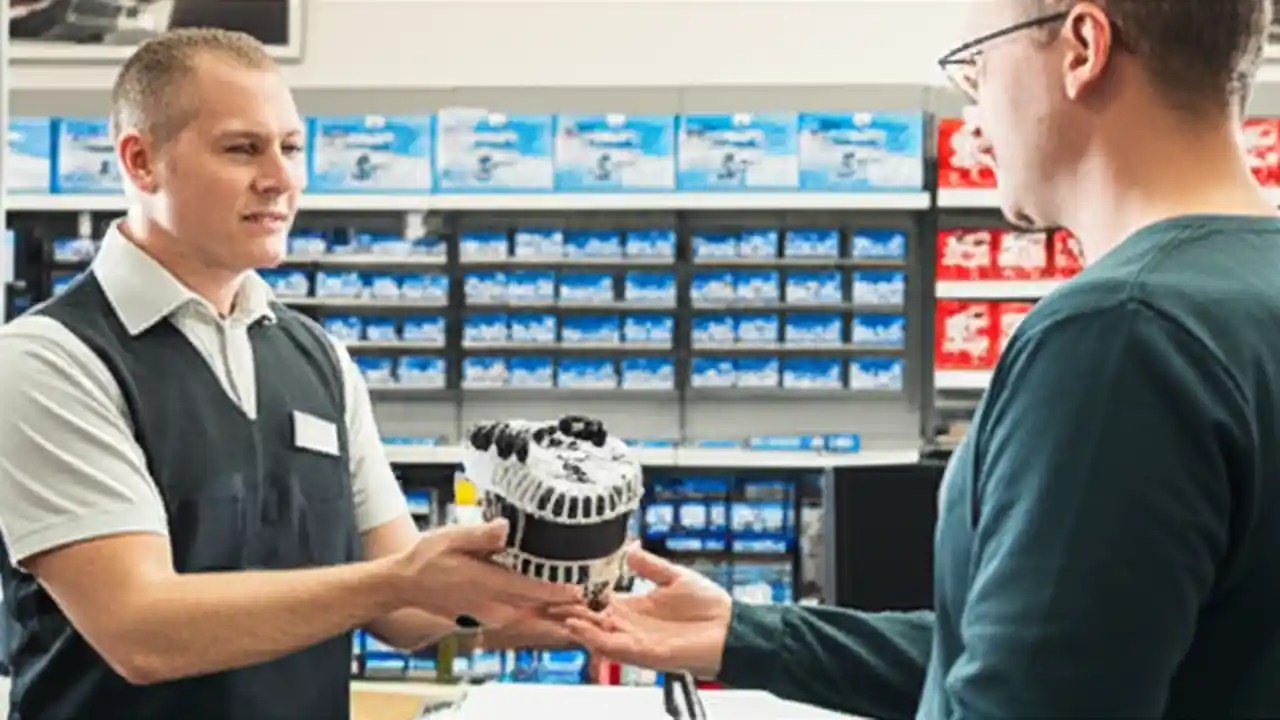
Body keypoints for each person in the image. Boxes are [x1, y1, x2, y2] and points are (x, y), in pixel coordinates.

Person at [558, 1, 1280, 717]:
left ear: (1082, 48)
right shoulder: (1245, 295)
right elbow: (1075, 655)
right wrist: (745, 636)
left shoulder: (1120, 335)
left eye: (978, 68)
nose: (973, 120)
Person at [0, 28, 582, 720]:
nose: (281, 179)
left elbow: (405, 608)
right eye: (243, 148)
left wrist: (553, 591)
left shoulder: (319, 360)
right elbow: (141, 630)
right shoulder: (49, 359)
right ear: (142, 160)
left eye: (292, 147)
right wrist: (398, 578)